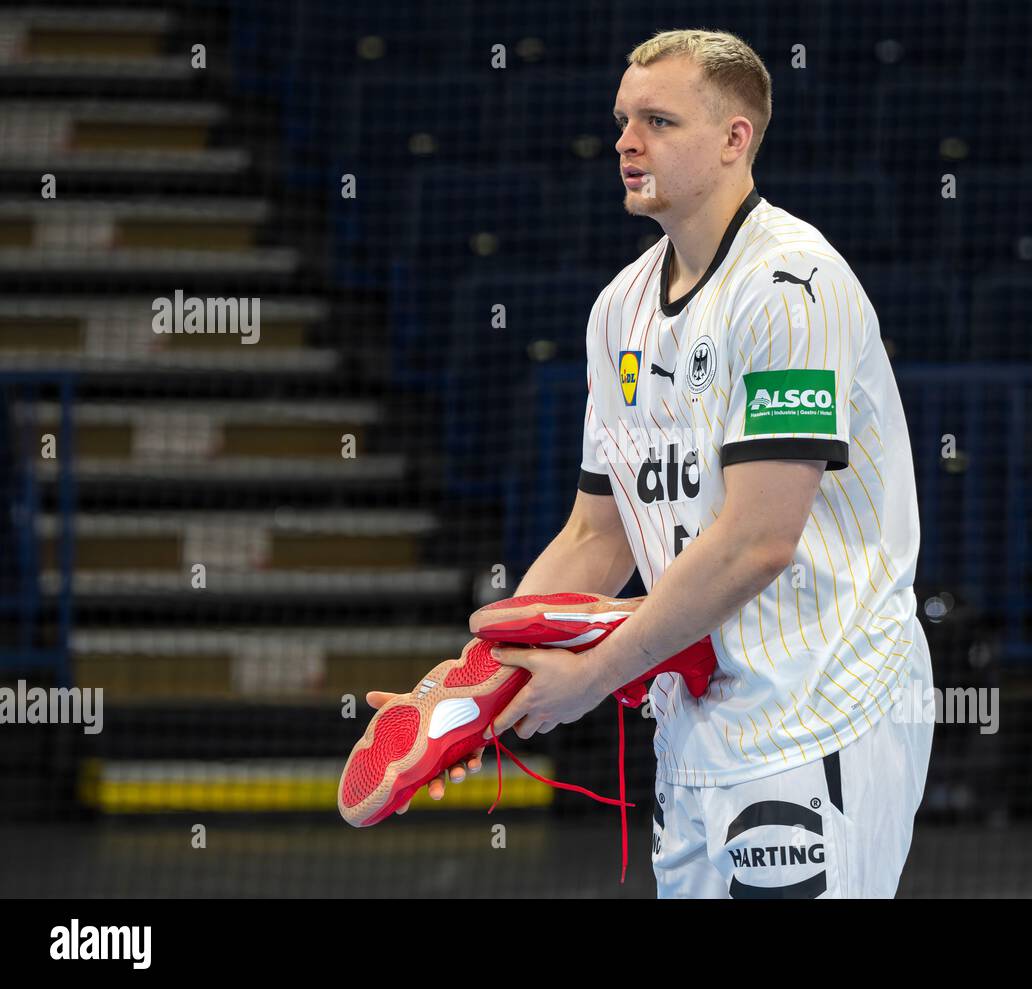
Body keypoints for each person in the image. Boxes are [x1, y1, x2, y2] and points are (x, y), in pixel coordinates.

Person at [381, 27, 934, 899]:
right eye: (621, 120)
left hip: (820, 706)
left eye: (658, 121)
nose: (625, 142)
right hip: (695, 726)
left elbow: (759, 541)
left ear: (734, 139)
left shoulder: (794, 285)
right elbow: (595, 535)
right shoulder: (619, 309)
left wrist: (594, 673)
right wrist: (473, 690)